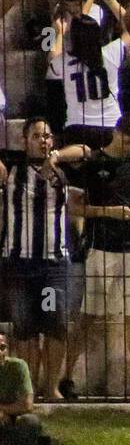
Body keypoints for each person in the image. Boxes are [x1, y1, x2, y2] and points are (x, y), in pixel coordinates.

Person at [64, 113, 130, 400]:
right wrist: (108, 212)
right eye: (127, 139)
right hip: (101, 243)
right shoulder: (94, 163)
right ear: (117, 132)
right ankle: (66, 377)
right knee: (89, 314)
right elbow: (76, 207)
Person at [0, 119, 77, 399]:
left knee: (55, 324)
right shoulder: (13, 169)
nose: (42, 141)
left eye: (46, 136)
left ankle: (51, 386)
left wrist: (55, 157)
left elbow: (86, 149)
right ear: (24, 140)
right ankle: (28, 388)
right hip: (20, 263)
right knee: (25, 329)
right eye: (35, 136)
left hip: (52, 263)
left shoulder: (61, 170)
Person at [49, 0, 130, 148]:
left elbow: (52, 55)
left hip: (77, 128)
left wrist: (58, 33)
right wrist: (112, 2)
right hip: (110, 126)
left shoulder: (65, 62)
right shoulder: (110, 53)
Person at [0, 332, 43, 445]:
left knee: (30, 422)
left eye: (2, 347)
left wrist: (2, 410)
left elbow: (27, 405)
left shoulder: (18, 366)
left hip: (12, 416)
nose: (0, 352)